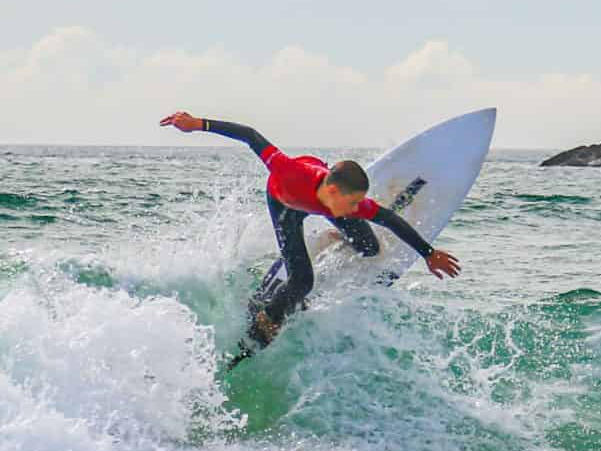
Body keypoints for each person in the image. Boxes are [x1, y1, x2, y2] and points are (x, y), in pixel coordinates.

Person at [160, 111, 460, 358]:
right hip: (285, 204)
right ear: (333, 190)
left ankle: (333, 238)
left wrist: (429, 254)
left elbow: (388, 218)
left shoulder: (343, 203)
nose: (359, 207)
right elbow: (250, 134)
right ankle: (268, 316)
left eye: (358, 202)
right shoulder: (287, 171)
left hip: (324, 204)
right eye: (354, 201)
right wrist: (198, 124)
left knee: (369, 247)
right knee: (302, 281)